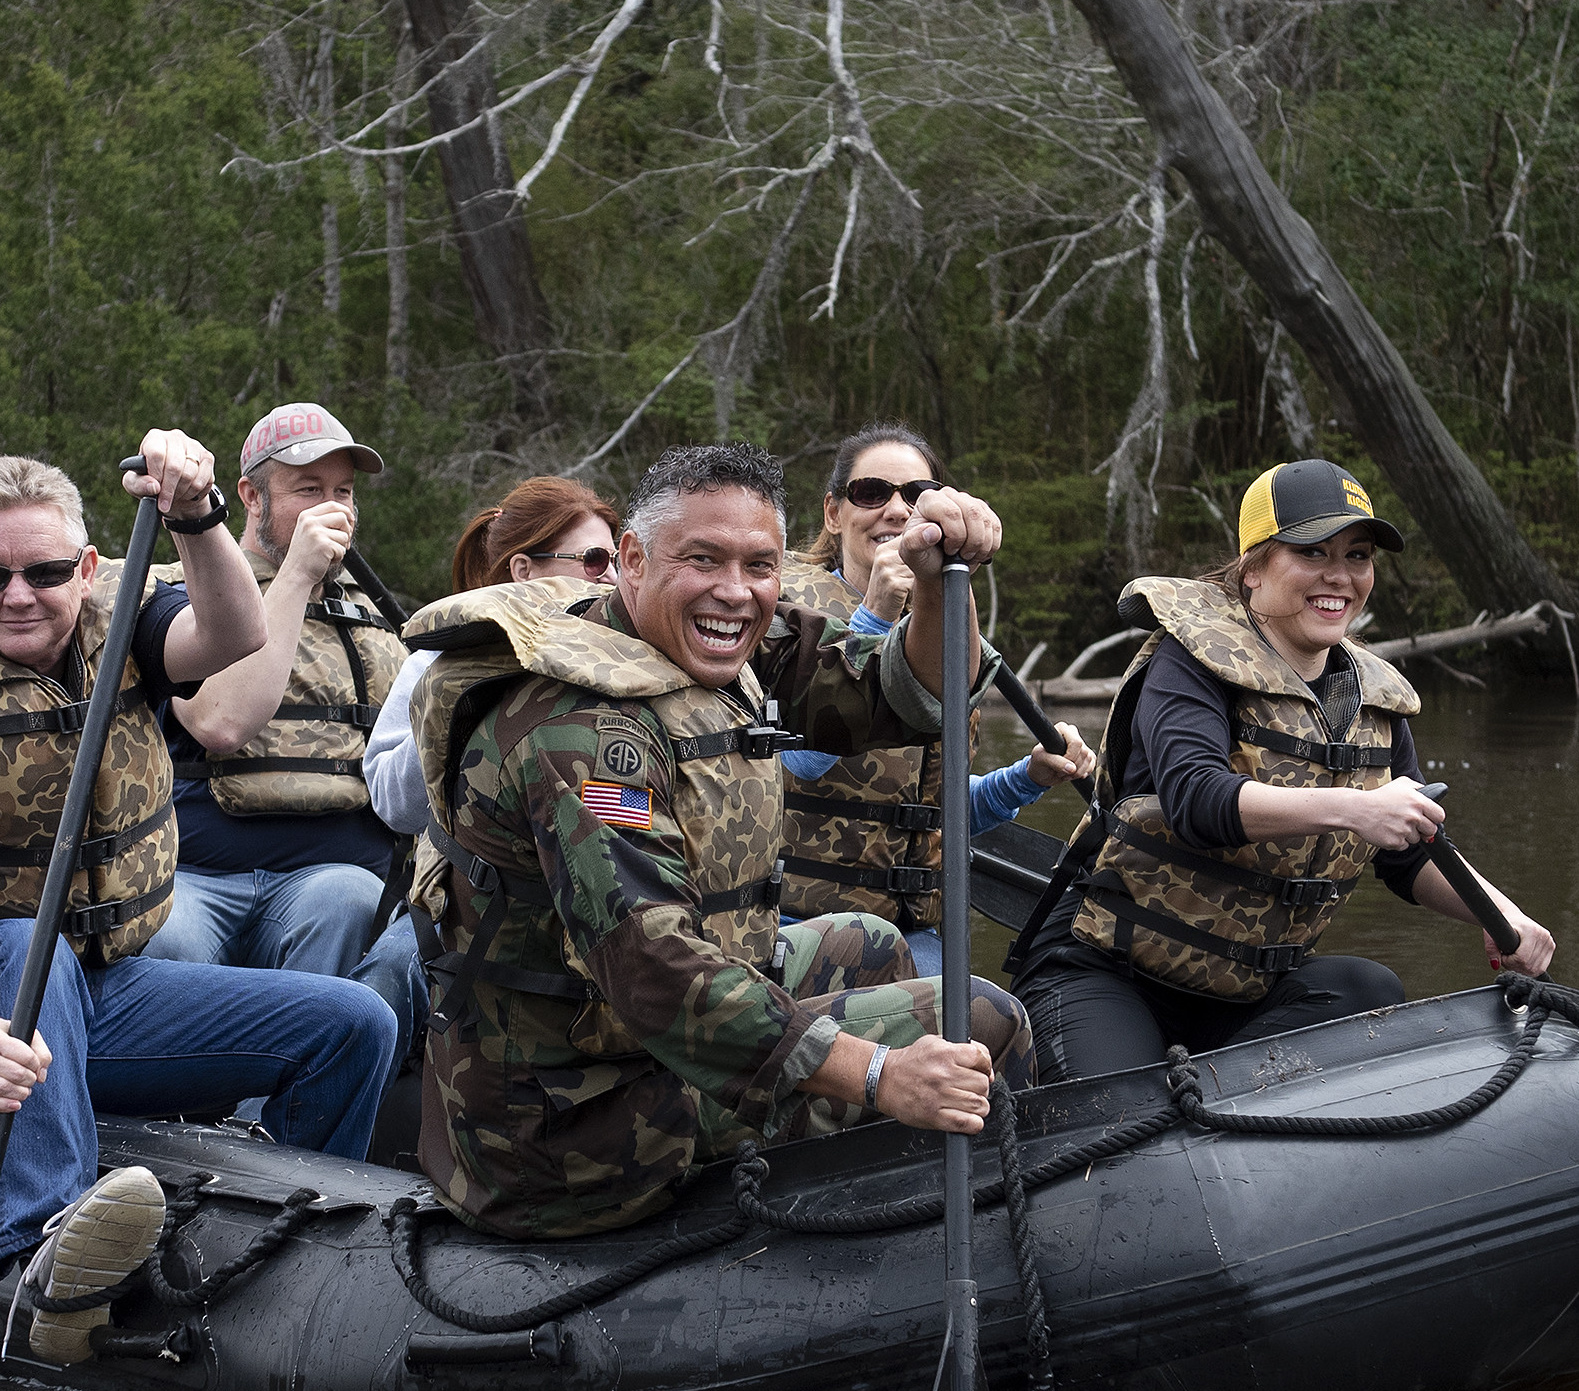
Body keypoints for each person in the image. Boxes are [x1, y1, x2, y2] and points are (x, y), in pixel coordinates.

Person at [0, 435, 396, 1362]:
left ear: (88, 568)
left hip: (84, 990)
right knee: (23, 945)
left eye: (46, 571)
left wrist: (196, 516)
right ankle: (28, 1256)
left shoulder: (124, 620)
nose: (19, 594)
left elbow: (234, 635)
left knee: (354, 1022)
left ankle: (293, 1258)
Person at [406, 442, 1036, 1242]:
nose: (735, 592)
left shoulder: (704, 640)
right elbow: (657, 970)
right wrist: (881, 1075)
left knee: (871, 940)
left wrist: (946, 572)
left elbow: (911, 693)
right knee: (984, 1015)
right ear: (631, 559)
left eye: (759, 565)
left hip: (625, 1045)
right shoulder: (583, 731)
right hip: (573, 1127)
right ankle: (968, 1246)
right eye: (702, 558)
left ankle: (871, 1211)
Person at [1012, 459, 1558, 1080]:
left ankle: (1221, 1108)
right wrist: (1355, 807)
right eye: (1312, 552)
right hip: (1105, 970)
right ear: (1252, 569)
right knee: (1115, 1124)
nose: (1340, 577)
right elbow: (1195, 800)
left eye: (1357, 556)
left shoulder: (1373, 699)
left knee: (1367, 986)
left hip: (1243, 992)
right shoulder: (1187, 662)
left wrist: (1502, 915)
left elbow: (1410, 853)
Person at [777, 425, 1097, 975]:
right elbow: (798, 763)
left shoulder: (949, 633)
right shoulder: (778, 611)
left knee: (986, 1032)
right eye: (871, 493)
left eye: (917, 495)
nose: (897, 510)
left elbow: (935, 815)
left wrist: (1028, 776)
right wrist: (875, 614)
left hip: (911, 932)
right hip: (791, 925)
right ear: (833, 513)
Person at [137, 403, 410, 1019]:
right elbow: (220, 722)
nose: (332, 507)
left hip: (330, 877)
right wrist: (295, 577)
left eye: (343, 491)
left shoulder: (377, 623)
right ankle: (171, 1110)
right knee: (166, 934)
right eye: (308, 489)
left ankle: (277, 1116)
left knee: (348, 900)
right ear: (250, 497)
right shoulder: (180, 596)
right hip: (195, 877)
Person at [363, 475, 619, 842]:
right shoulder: (443, 661)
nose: (611, 576)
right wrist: (451, 699)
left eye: (616, 559)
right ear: (523, 571)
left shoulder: (630, 661)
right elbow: (393, 806)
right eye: (593, 560)